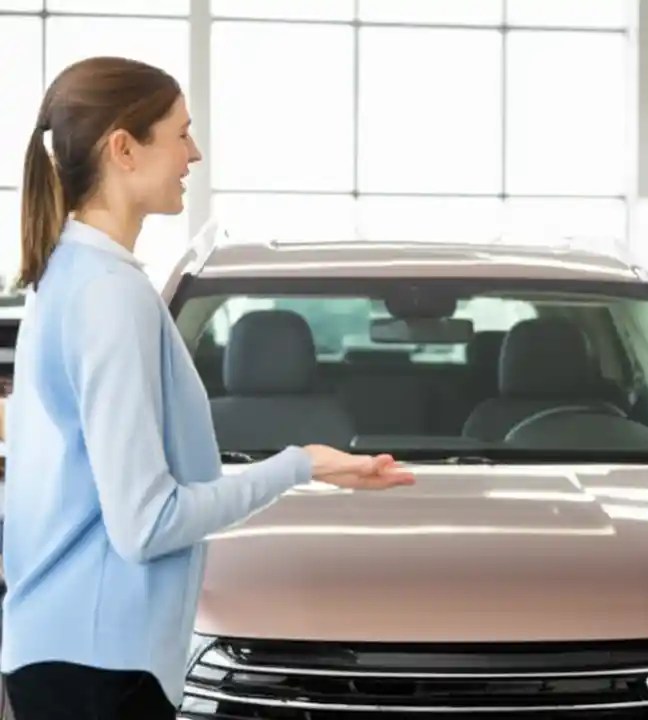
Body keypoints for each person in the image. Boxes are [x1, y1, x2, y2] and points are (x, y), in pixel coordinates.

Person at [0, 56, 416, 719]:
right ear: (124, 149)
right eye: (181, 133)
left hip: (66, 653)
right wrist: (297, 465)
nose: (194, 154)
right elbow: (147, 524)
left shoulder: (68, 278)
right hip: (103, 665)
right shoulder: (110, 295)